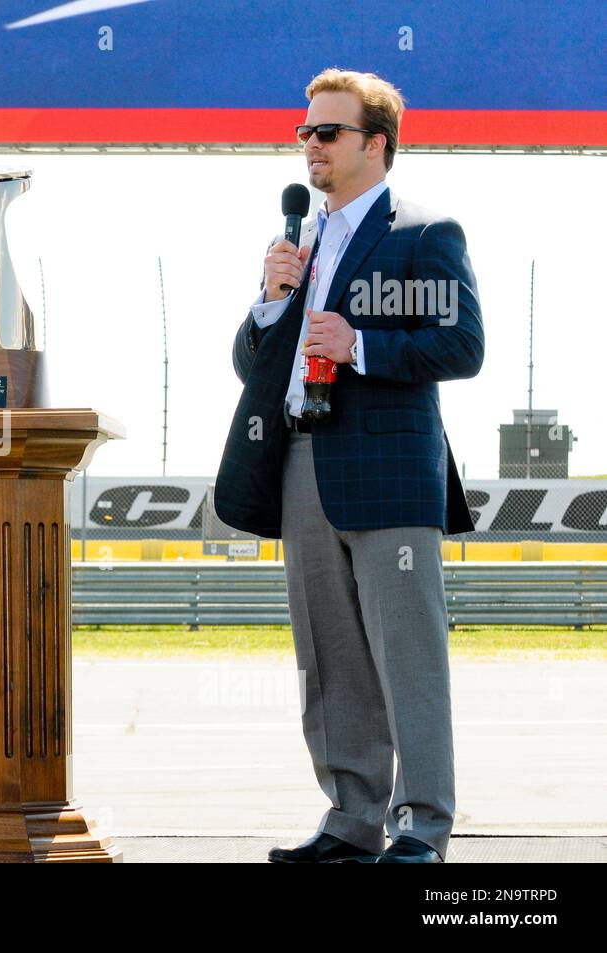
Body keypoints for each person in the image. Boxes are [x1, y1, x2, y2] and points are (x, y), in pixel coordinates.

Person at [213, 69, 484, 864]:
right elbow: (252, 362)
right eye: (304, 132)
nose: (310, 145)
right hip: (301, 459)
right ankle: (351, 818)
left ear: (376, 145)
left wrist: (360, 345)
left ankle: (422, 827)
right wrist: (269, 303)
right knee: (327, 656)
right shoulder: (301, 244)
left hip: (391, 469)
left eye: (326, 132)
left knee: (408, 655)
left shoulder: (426, 234)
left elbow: (462, 346)